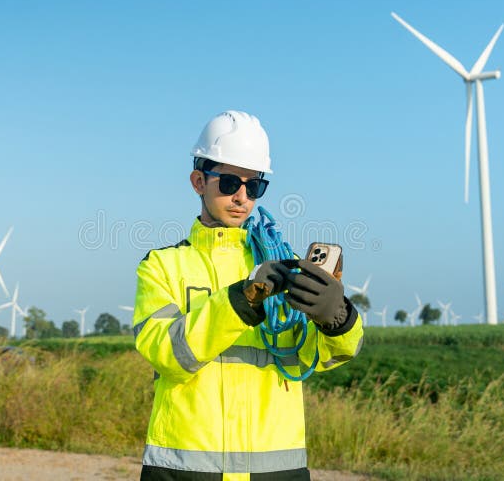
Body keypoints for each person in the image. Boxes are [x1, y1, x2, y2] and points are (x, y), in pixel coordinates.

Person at [133, 110, 364, 480]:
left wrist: (335, 316)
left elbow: (316, 357)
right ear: (198, 182)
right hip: (186, 472)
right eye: (228, 182)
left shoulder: (283, 266)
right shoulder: (162, 266)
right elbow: (167, 354)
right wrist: (242, 301)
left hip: (275, 471)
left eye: (254, 186)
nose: (241, 196)